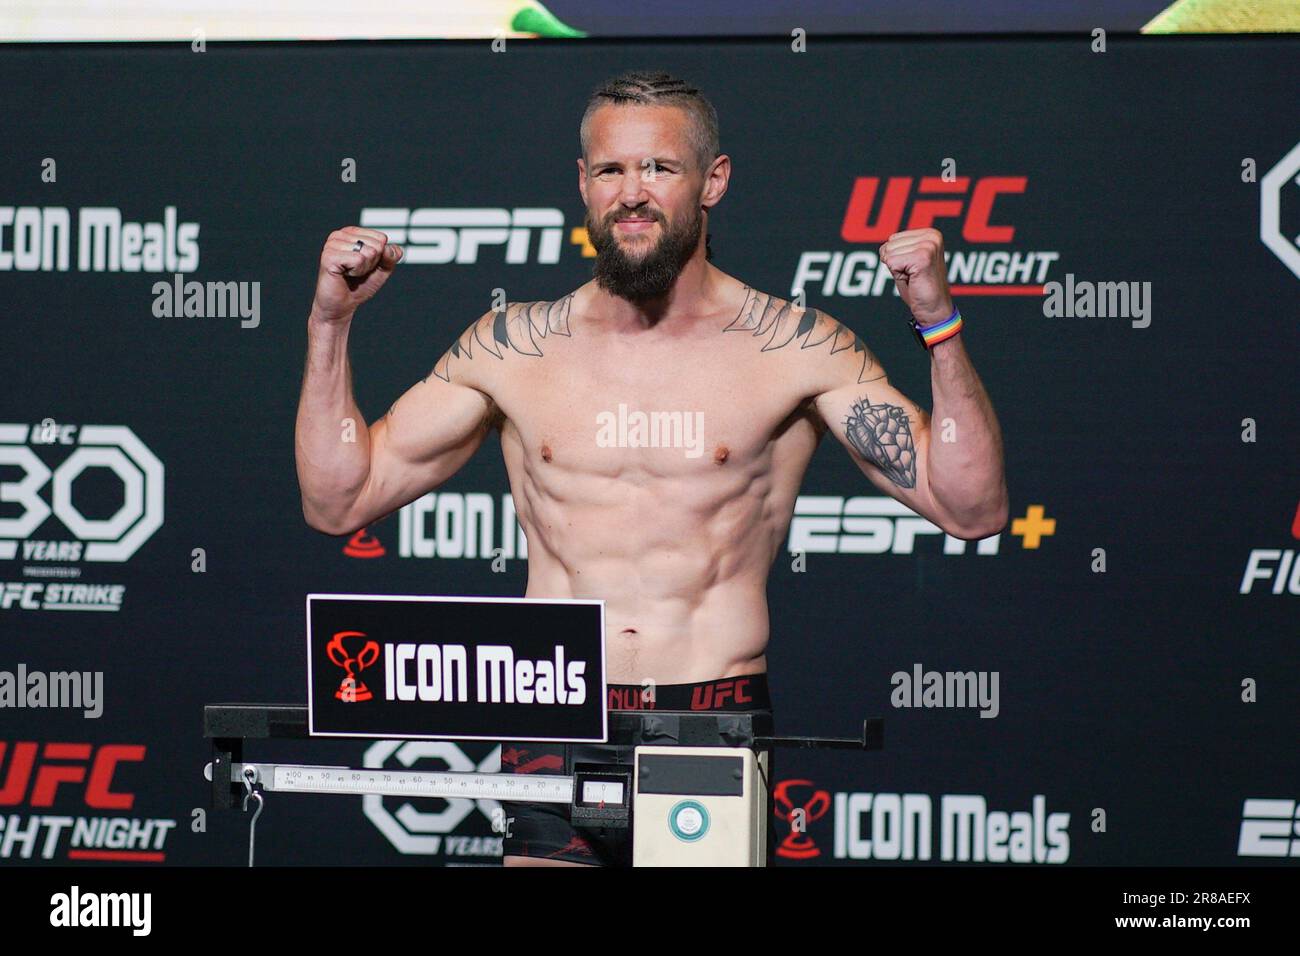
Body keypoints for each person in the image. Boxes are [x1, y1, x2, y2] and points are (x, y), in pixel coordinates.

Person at [294, 70, 1008, 866]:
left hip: (711, 721)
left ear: (713, 181)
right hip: (556, 717)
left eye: (660, 169)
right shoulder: (512, 348)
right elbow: (340, 498)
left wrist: (937, 323)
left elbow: (969, 506)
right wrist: (331, 323)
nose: (633, 193)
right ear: (583, 184)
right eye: (611, 170)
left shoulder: (796, 348)